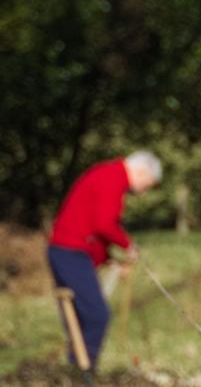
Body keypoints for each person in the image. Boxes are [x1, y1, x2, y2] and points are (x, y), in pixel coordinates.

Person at [47, 151, 161, 370]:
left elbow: (90, 227)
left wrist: (109, 260)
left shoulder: (107, 174)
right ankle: (85, 373)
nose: (145, 192)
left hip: (66, 251)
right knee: (97, 315)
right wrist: (128, 245)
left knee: (80, 318)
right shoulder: (113, 178)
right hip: (70, 253)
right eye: (148, 185)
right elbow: (104, 224)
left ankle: (77, 373)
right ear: (141, 171)